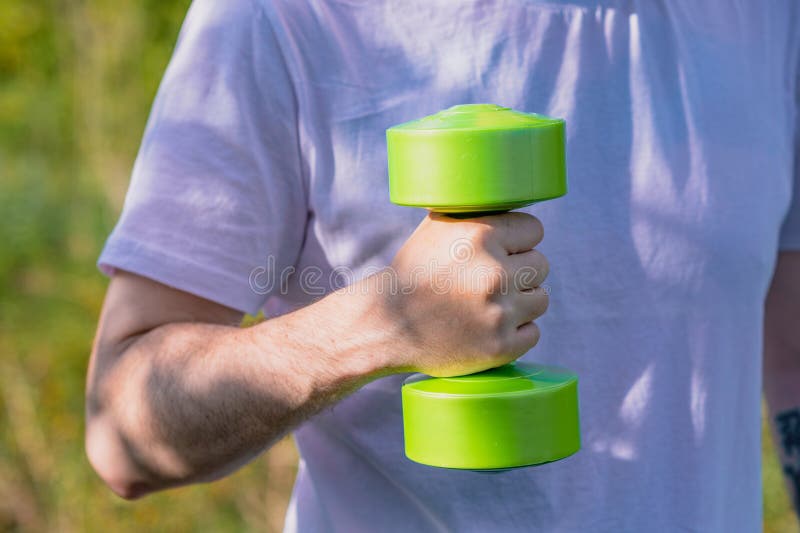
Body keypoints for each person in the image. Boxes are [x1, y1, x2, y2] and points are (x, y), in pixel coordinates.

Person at [85, 1, 800, 531]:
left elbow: (793, 350)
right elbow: (121, 427)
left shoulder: (768, 19)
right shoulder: (278, 18)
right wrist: (383, 321)